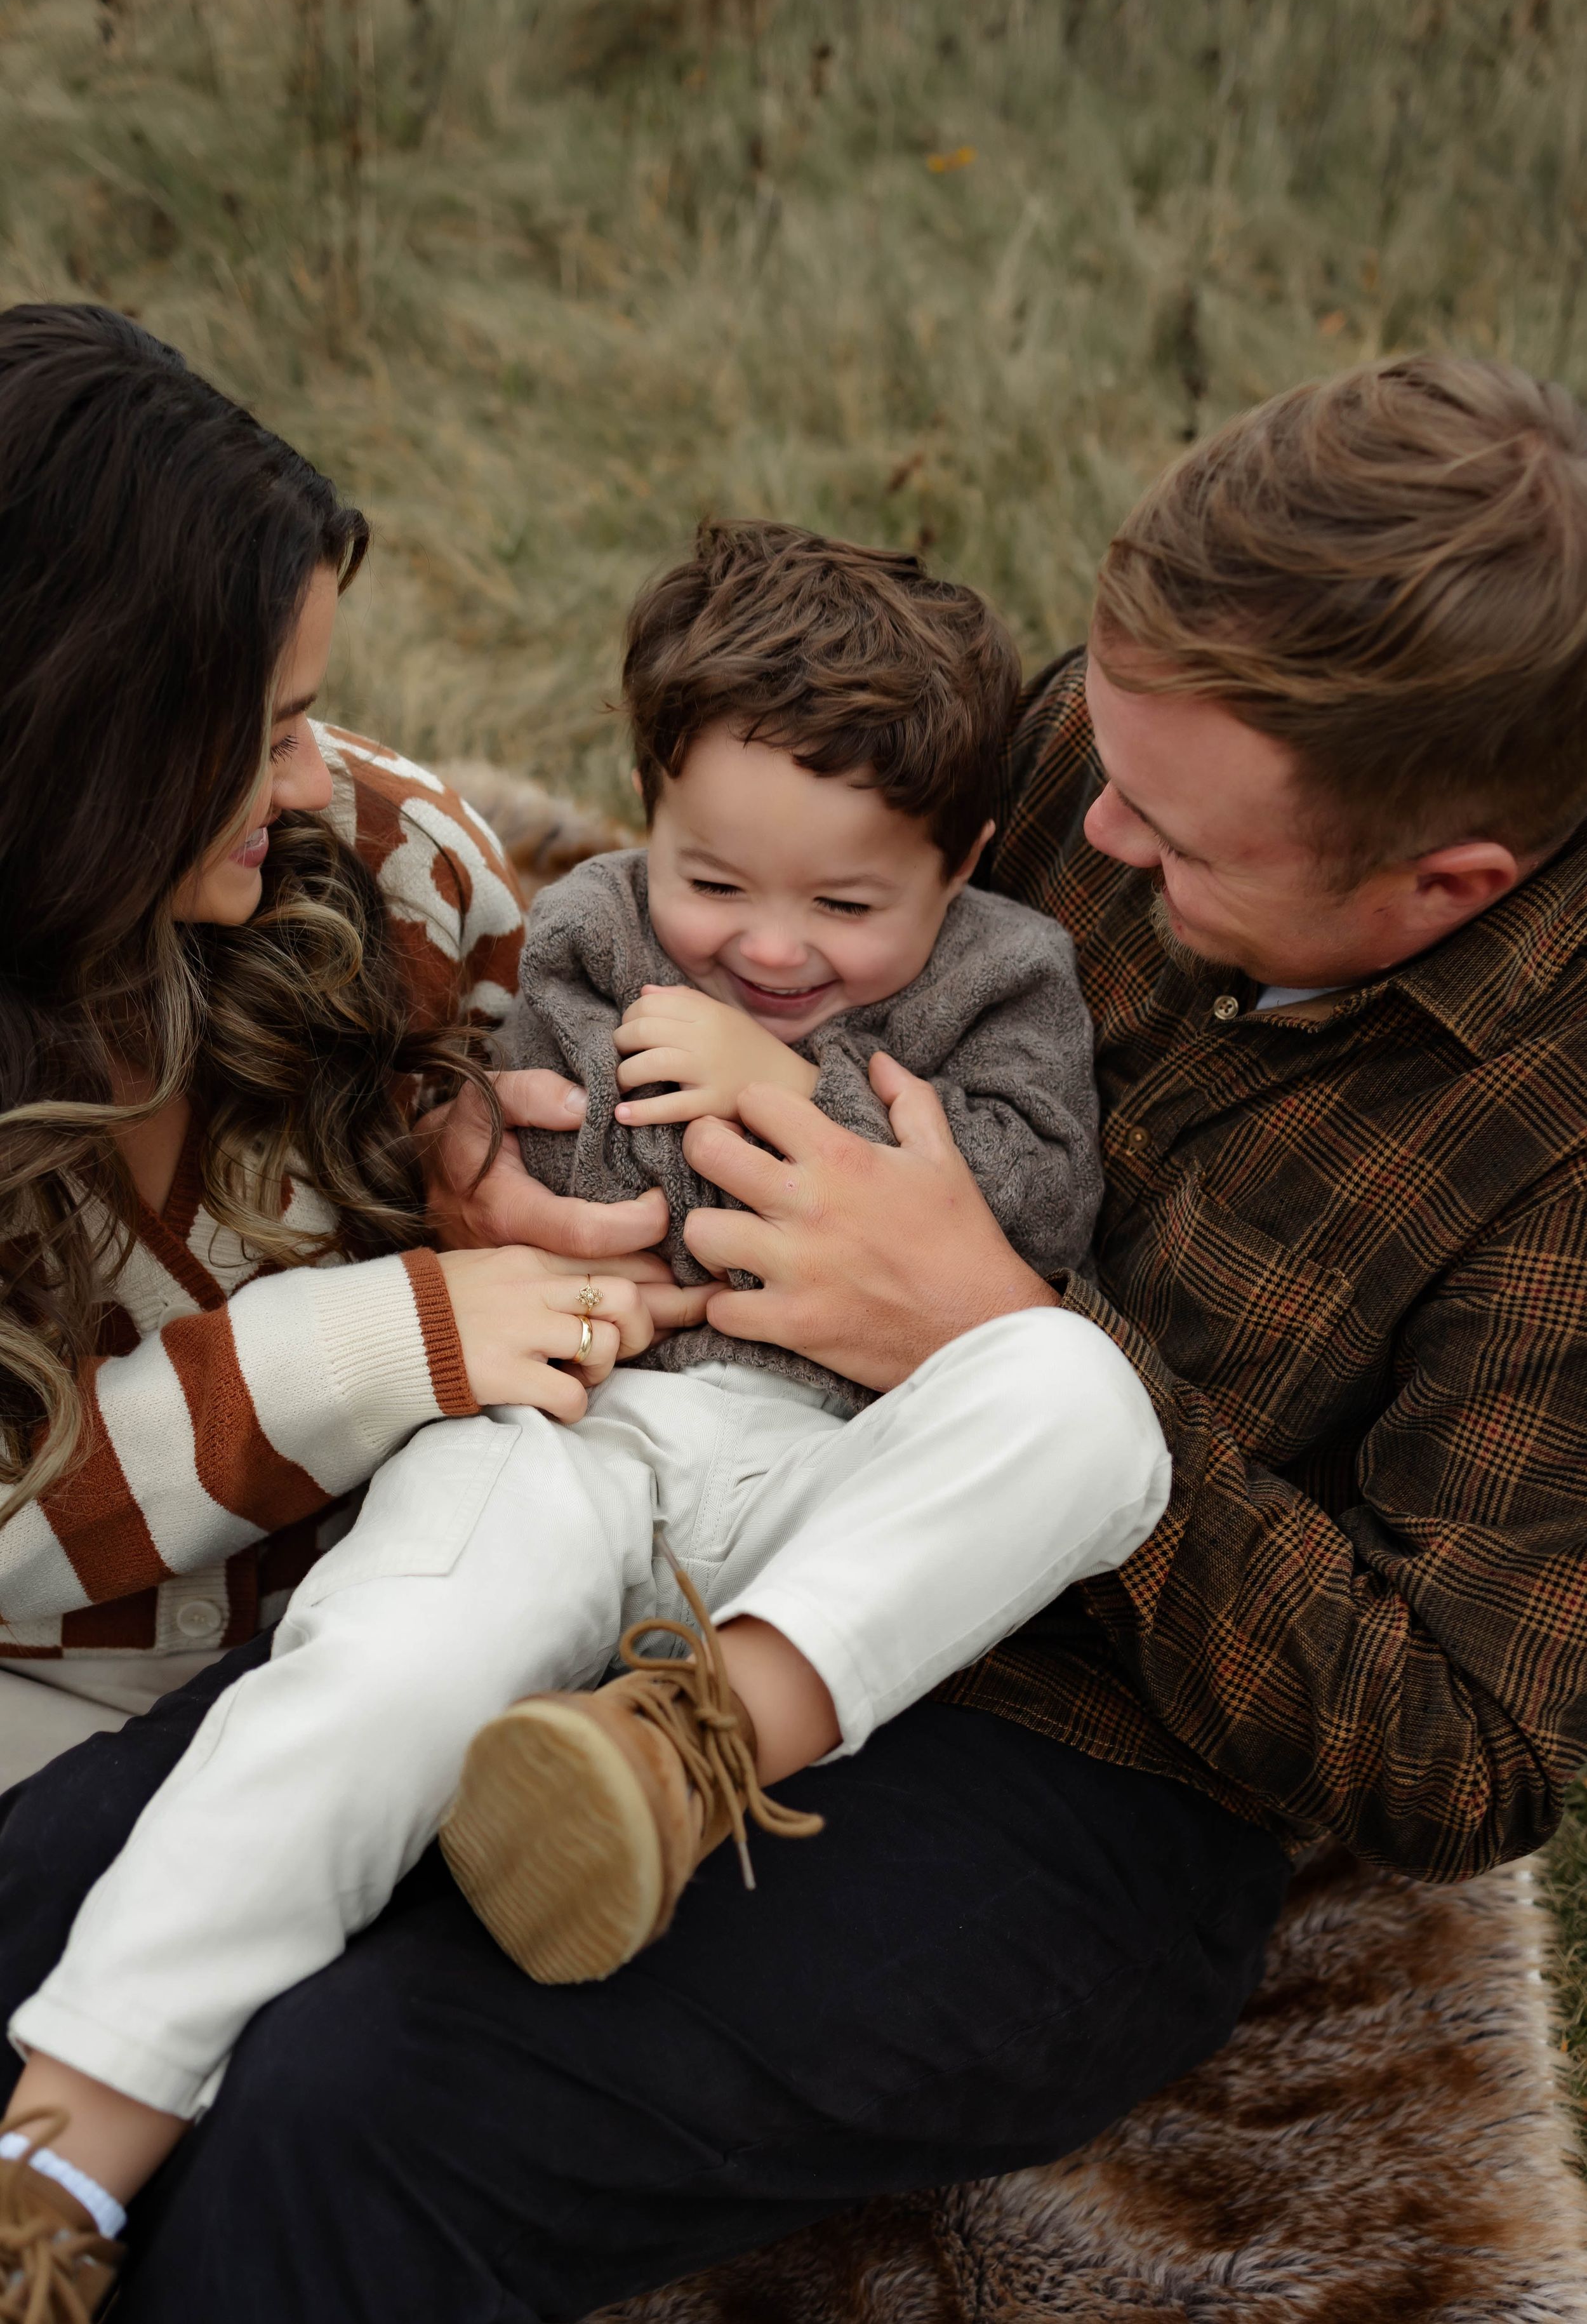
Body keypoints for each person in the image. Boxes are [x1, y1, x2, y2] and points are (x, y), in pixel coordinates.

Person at [3, 352, 1585, 2324]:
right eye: (1087, 755)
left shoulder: (1554, 1159)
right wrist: (494, 1150)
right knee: (54, 1889)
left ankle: (673, 1762)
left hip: (1056, 1752)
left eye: (1179, 847)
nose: (1083, 833)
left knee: (353, 2100)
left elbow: (1463, 1759)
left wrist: (985, 1320)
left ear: (1448, 884)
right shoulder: (1096, 770)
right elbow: (703, 939)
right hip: (635, 1485)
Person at [0, 527, 1171, 2310]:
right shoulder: (594, 928)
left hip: (831, 1481)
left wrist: (797, 1090)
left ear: (963, 863)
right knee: (368, 1688)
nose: (768, 945)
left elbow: (1028, 1204)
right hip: (581, 1428)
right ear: (648, 814)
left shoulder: (1008, 976)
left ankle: (676, 1753)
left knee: (1086, 1399)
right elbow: (567, 1179)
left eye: (847, 907)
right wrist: (517, 1171)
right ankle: (68, 2149)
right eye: (716, 881)